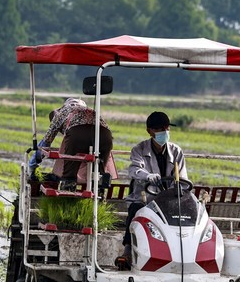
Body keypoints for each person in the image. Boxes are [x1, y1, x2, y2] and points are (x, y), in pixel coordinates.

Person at [117, 111, 188, 269]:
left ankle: (183, 254)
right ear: (149, 131)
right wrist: (148, 176)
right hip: (145, 199)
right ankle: (127, 250)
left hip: (169, 200)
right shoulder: (139, 150)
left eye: (166, 129)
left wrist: (176, 188)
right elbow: (134, 170)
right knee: (135, 210)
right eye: (159, 130)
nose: (164, 133)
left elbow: (183, 178)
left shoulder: (177, 152)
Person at [31, 97, 117, 189]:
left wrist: (33, 163)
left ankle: (68, 192)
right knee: (98, 171)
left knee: (70, 169)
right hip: (105, 137)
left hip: (78, 134)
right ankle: (99, 195)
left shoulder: (62, 112)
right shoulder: (91, 111)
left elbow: (47, 140)